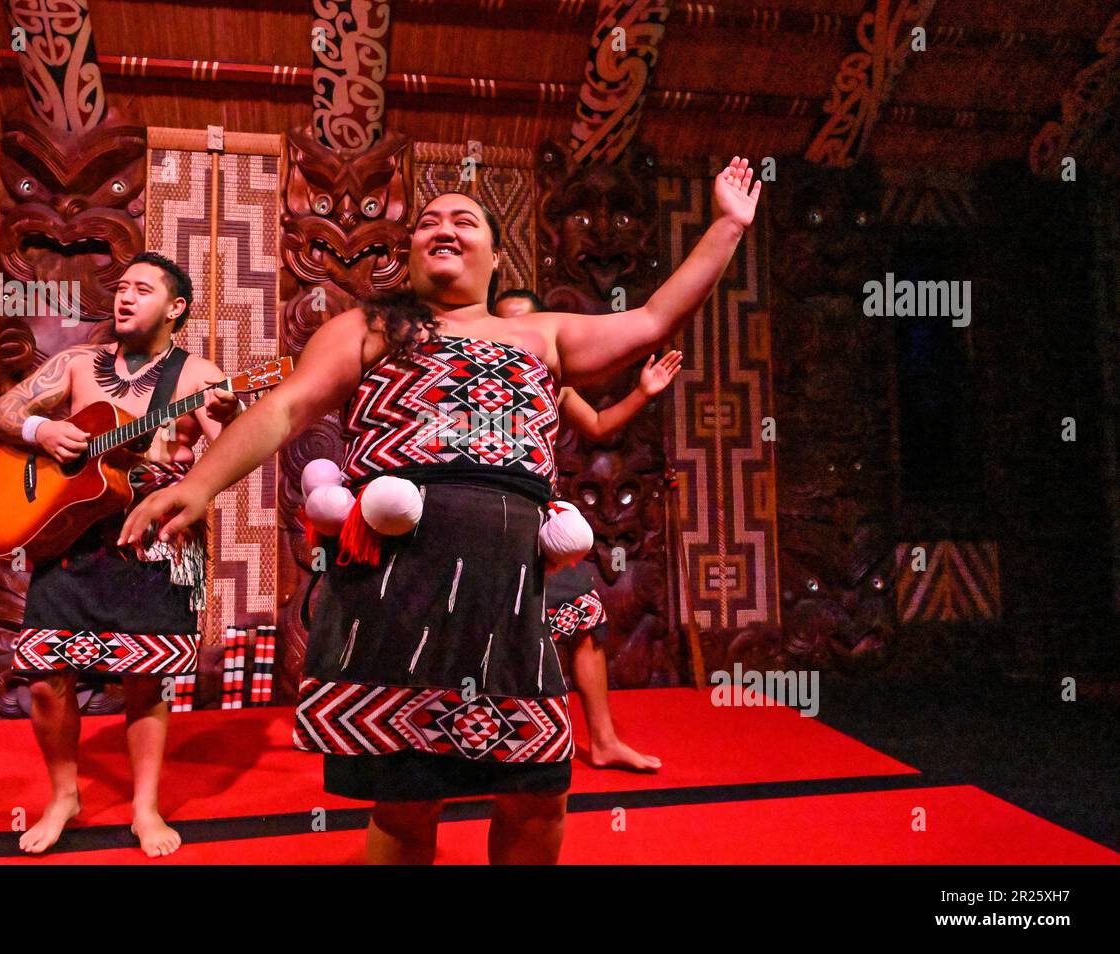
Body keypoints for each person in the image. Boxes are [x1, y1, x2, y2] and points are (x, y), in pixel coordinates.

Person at [120, 157, 761, 864]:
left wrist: (729, 224)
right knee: (408, 797)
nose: (441, 228)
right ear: (412, 256)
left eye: (463, 219)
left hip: (509, 588)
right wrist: (201, 483)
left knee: (540, 787)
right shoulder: (367, 328)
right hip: (399, 586)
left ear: (494, 255)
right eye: (427, 222)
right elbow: (285, 408)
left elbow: (653, 319)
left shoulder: (542, 335)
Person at [0, 251, 242, 857]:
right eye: (121, 287)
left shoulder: (199, 376)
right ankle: (65, 794)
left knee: (145, 683)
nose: (124, 297)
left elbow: (232, 456)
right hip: (72, 538)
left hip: (153, 545)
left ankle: (145, 808)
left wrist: (228, 419)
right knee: (45, 680)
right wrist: (41, 432)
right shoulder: (75, 365)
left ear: (175, 308)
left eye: (142, 289)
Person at [495, 287, 679, 772]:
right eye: (503, 322)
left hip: (535, 516)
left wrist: (642, 392)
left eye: (525, 325)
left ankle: (603, 739)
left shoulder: (554, 383)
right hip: (480, 517)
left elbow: (597, 425)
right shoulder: (467, 375)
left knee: (583, 606)